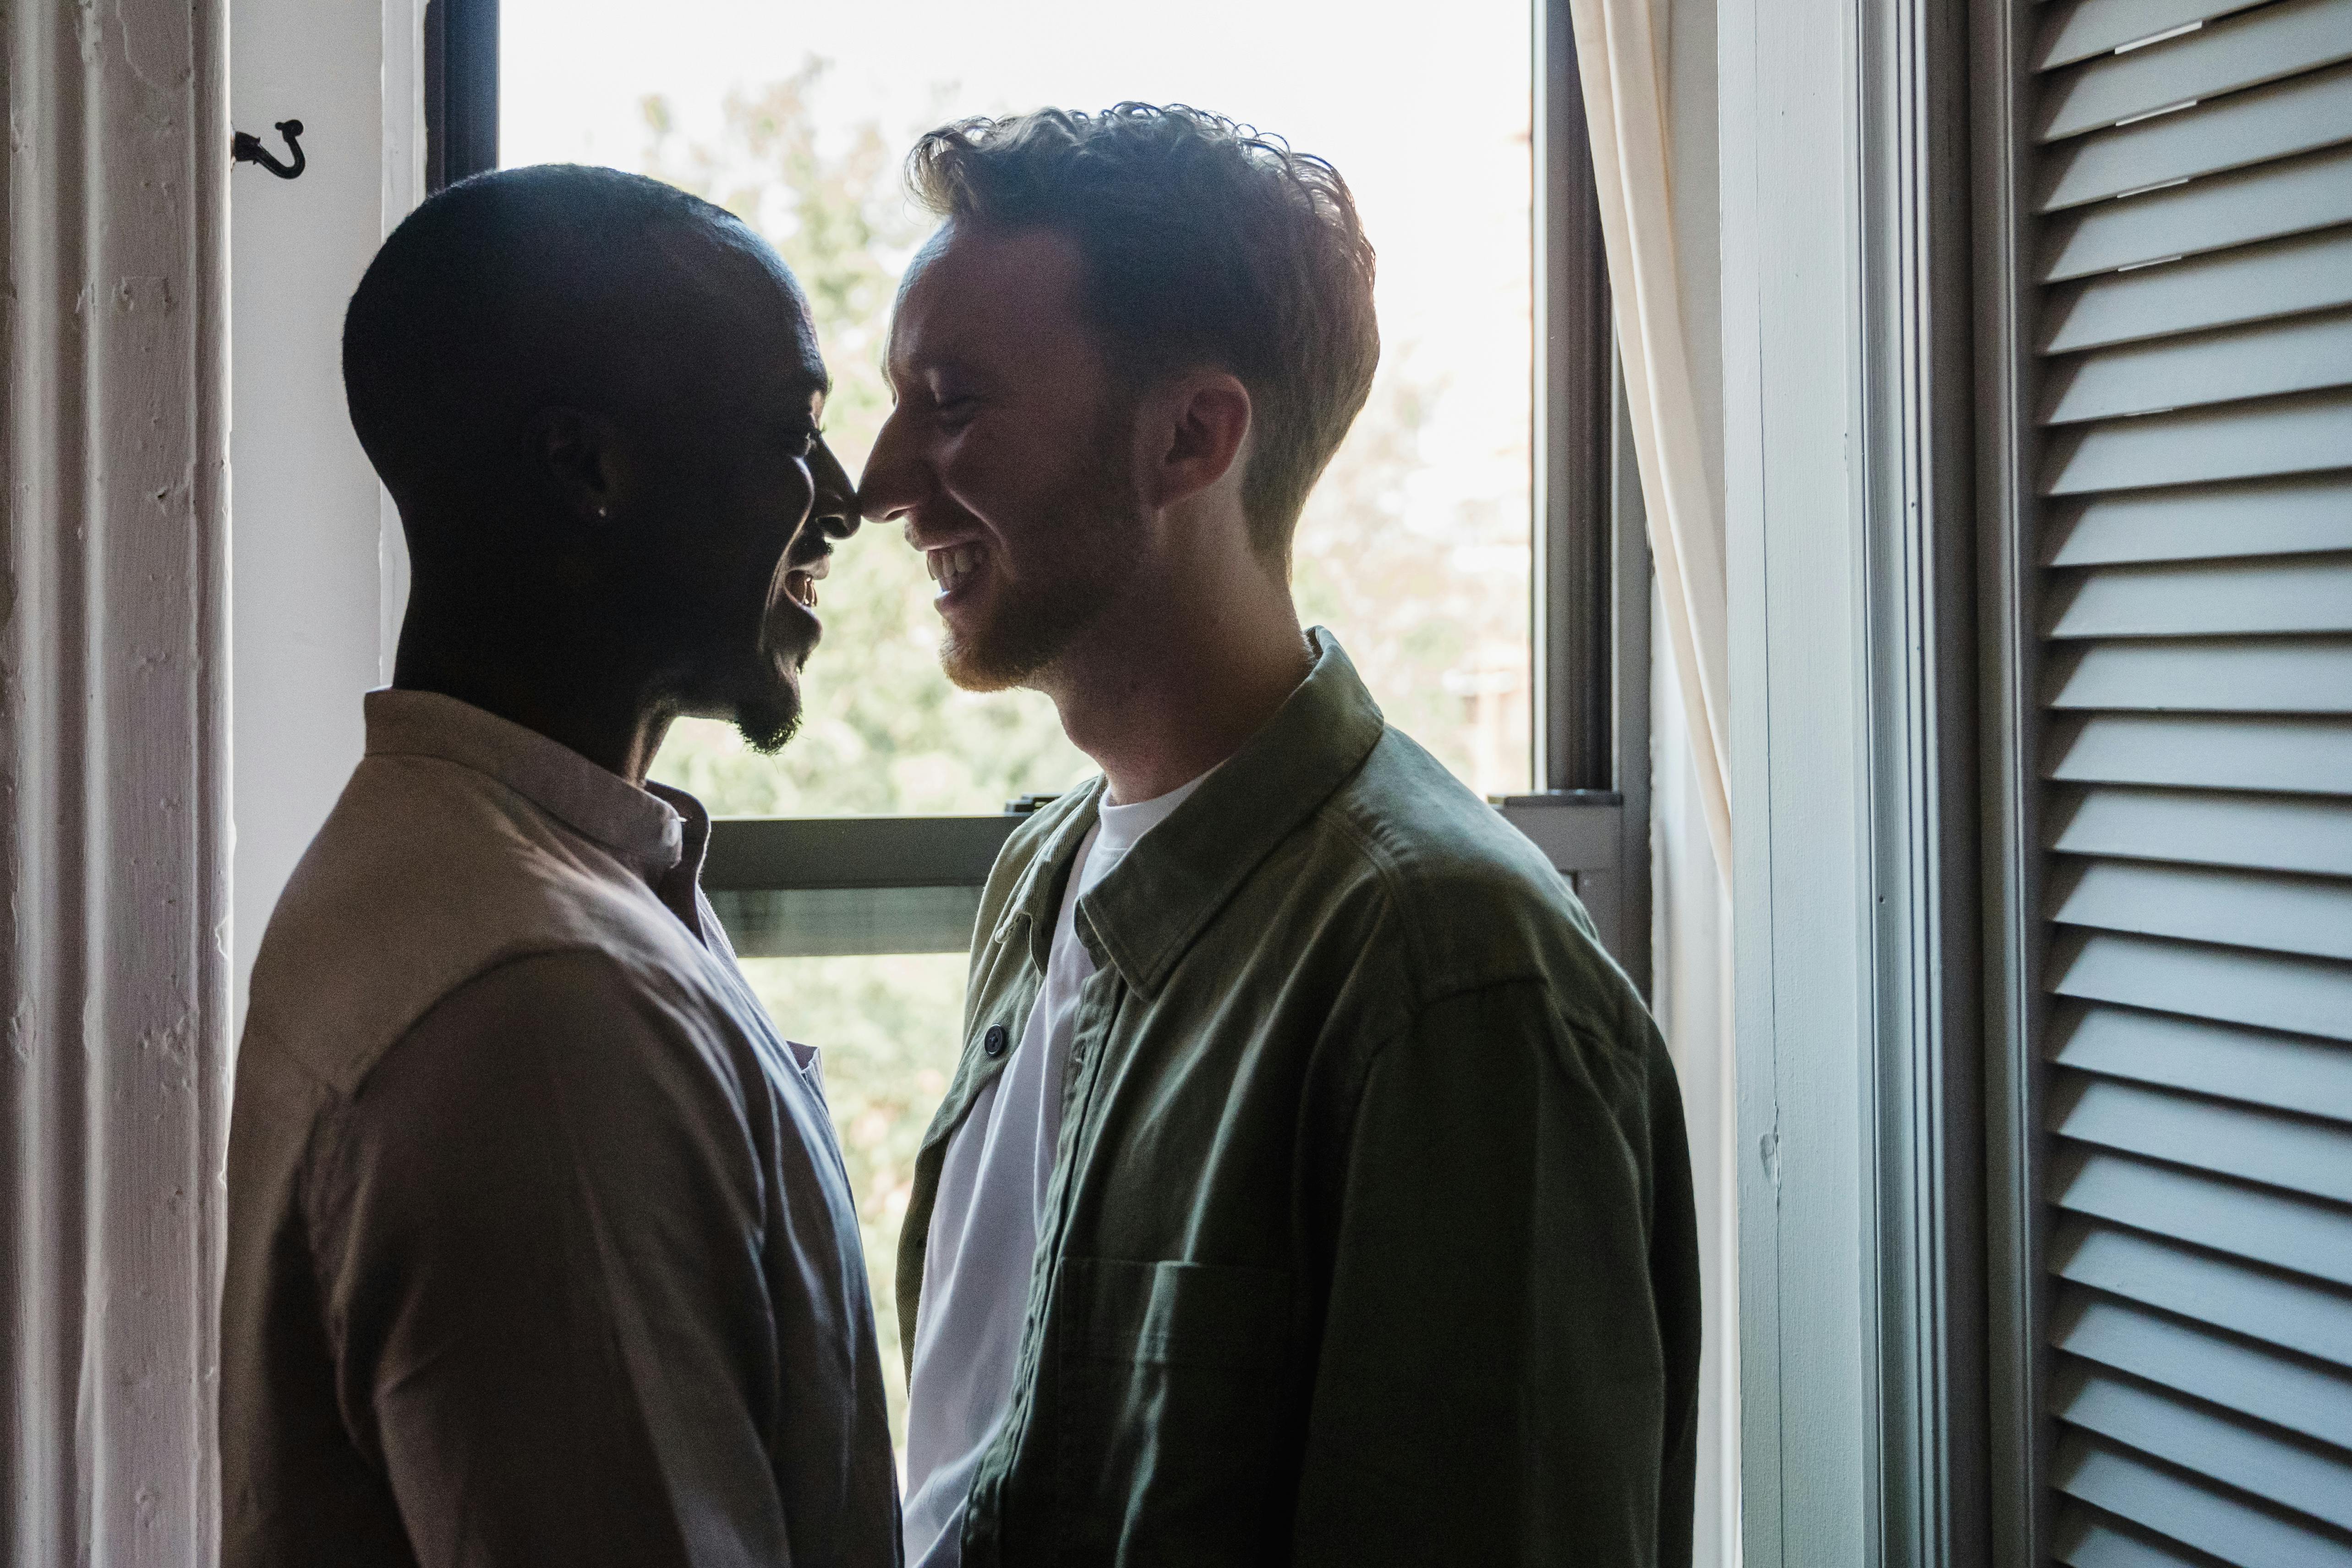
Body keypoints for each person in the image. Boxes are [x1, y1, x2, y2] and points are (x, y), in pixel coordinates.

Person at [859, 105, 1701, 1566]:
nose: (878, 482)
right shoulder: (1041, 878)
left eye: (953, 403)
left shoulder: (1451, 977)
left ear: (1192, 438)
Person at [219, 165, 900, 1568]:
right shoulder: (543, 1011)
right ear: (588, 471)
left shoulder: (469, 872)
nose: (842, 501)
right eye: (792, 432)